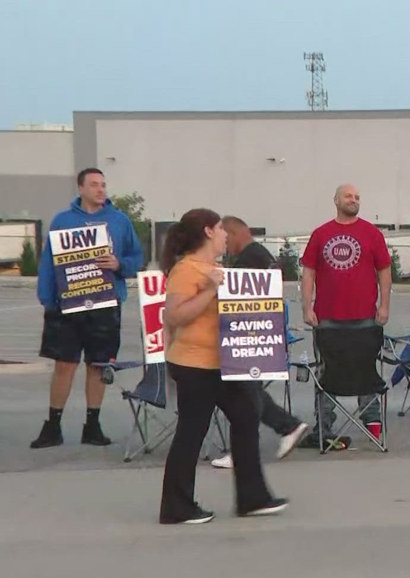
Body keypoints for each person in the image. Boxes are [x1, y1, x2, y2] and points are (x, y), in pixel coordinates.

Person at [158, 208, 287, 525]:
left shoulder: (216, 266)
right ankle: (176, 506)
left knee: (246, 416)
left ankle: (252, 497)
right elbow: (174, 316)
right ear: (207, 232)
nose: (226, 234)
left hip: (225, 362)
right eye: (220, 229)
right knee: (192, 431)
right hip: (193, 364)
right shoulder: (186, 270)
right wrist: (210, 289)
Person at [31, 167, 144, 449]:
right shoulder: (62, 220)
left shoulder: (119, 221)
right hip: (66, 305)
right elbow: (49, 261)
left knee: (98, 365)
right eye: (94, 185)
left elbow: (137, 256)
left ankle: (92, 425)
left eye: (103, 184)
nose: (101, 189)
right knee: (64, 365)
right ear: (80, 188)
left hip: (105, 305)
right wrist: (47, 298)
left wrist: (119, 265)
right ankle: (52, 426)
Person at [206, 215, 312, 469]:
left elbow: (236, 301)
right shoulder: (263, 256)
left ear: (235, 233)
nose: (226, 245)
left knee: (243, 393)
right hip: (262, 333)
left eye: (226, 237)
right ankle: (286, 427)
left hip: (247, 336)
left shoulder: (249, 259)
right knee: (246, 391)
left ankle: (271, 435)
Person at [299, 184, 391, 448]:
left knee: (366, 369)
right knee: (326, 372)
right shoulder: (321, 234)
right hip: (327, 319)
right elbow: (309, 272)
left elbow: (384, 271)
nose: (354, 200)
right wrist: (307, 307)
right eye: (349, 196)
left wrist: (384, 306)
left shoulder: (371, 234)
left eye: (358, 197)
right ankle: (324, 427)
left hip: (365, 318)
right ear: (336, 200)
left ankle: (373, 423)